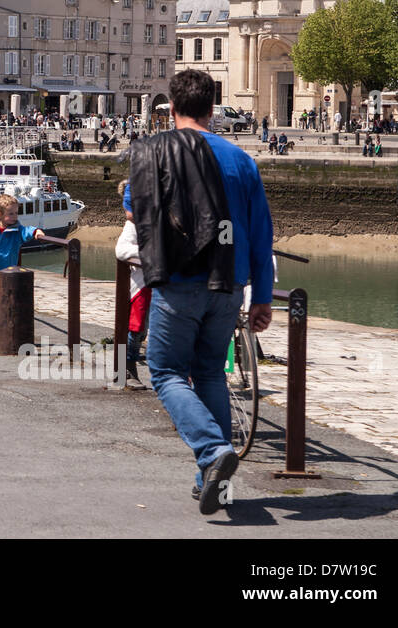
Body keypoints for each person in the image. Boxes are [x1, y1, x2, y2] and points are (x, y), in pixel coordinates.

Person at [127, 69, 274, 516]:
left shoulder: (158, 152)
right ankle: (209, 479)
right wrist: (262, 296)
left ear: (171, 108)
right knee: (210, 373)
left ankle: (212, 452)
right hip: (229, 283)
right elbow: (262, 231)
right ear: (213, 108)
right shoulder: (241, 159)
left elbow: (136, 207)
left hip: (180, 282)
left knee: (166, 371)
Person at [0, 195, 45, 343]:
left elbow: (27, 231)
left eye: (16, 213)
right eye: (11, 213)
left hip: (6, 276)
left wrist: (36, 231)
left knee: (0, 306)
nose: (14, 216)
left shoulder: (17, 230)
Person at [114, 180, 151, 385]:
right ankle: (128, 366)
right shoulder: (132, 227)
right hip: (142, 284)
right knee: (136, 329)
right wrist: (150, 255)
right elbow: (121, 251)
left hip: (164, 283)